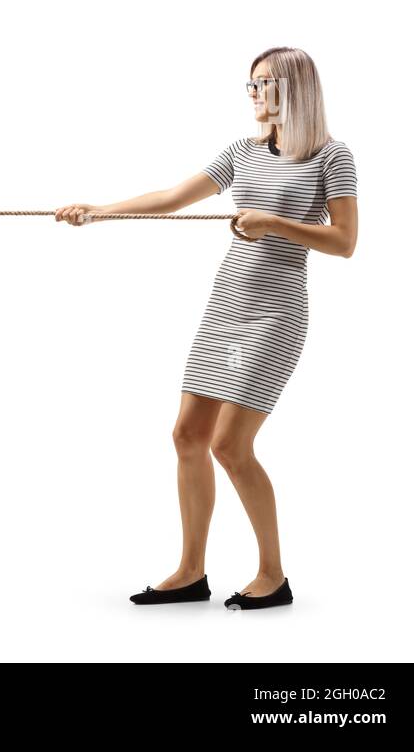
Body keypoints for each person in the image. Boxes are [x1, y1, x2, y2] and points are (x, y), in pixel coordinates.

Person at [54, 47, 358, 611]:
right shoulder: (242, 151)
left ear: (294, 89)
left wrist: (274, 223)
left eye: (263, 82)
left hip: (276, 313)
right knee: (187, 436)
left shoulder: (331, 157)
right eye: (250, 82)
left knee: (230, 445)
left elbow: (344, 242)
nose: (252, 92)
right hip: (228, 303)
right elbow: (171, 197)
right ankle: (191, 572)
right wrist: (99, 211)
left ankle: (273, 575)